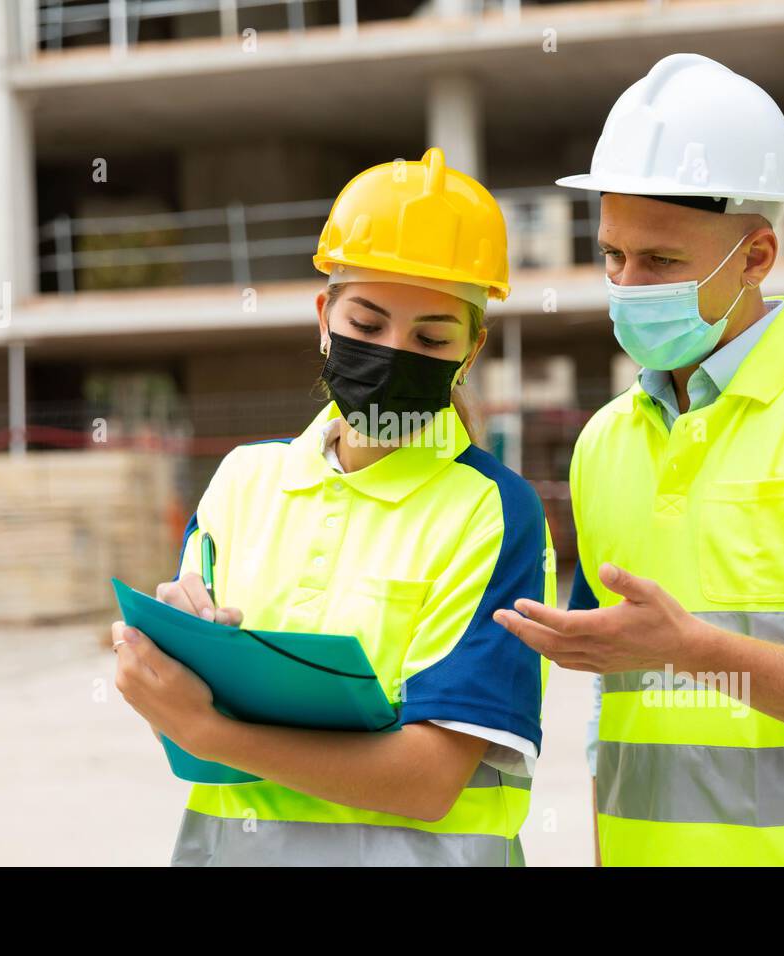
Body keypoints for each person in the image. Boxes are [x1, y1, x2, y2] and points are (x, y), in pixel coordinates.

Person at [494, 54, 784, 866]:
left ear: (756, 256)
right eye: (613, 256)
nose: (628, 285)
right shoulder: (605, 441)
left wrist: (694, 651)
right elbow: (614, 724)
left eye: (661, 262)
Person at [113, 146, 555, 866]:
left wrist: (213, 731)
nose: (392, 352)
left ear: (470, 350)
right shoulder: (242, 481)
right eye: (368, 322)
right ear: (324, 317)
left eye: (430, 337)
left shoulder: (492, 513)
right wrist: (162, 659)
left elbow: (430, 780)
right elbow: (180, 713)